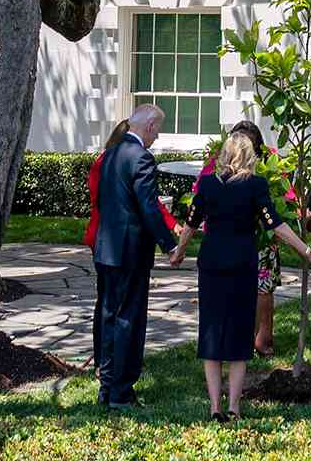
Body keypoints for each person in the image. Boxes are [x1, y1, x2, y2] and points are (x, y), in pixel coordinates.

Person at [170, 132, 311, 421]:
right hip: (242, 263)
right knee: (240, 334)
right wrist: (307, 251)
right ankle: (234, 408)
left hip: (212, 262)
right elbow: (275, 225)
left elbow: (191, 221)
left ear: (224, 156)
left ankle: (215, 407)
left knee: (211, 331)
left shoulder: (207, 185)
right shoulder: (255, 185)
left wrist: (179, 251)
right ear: (250, 157)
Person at [92, 103, 178, 409]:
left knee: (108, 317)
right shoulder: (141, 157)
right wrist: (170, 245)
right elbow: (149, 208)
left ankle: (106, 386)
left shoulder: (111, 154)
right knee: (129, 318)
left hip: (106, 249)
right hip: (130, 252)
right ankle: (122, 392)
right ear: (150, 126)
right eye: (159, 129)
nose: (158, 136)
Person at [196, 120, 290, 356]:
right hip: (228, 240)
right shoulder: (215, 166)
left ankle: (263, 339)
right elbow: (200, 197)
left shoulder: (270, 162)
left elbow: (287, 196)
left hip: (263, 238)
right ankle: (235, 340)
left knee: (263, 289)